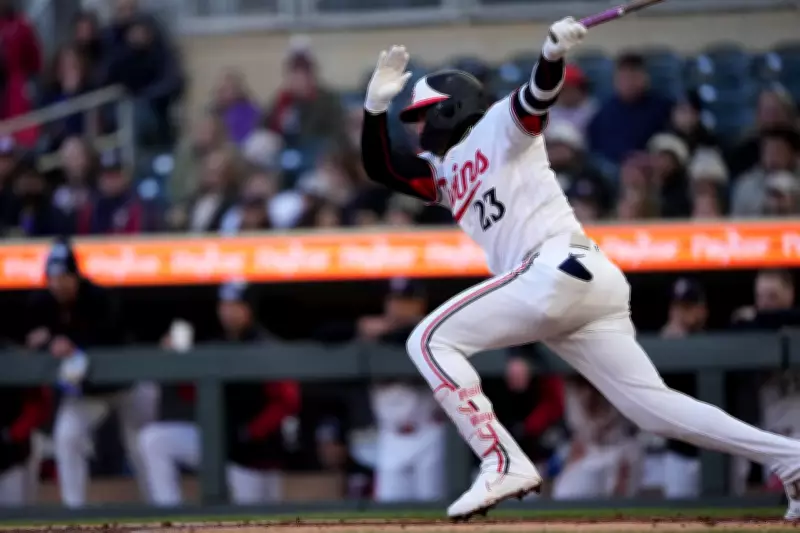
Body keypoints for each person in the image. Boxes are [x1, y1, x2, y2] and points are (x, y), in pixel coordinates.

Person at [359, 20, 800, 521]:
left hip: (553, 267)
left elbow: (536, 97)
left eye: (419, 117)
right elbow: (383, 168)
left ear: (447, 108)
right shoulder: (441, 172)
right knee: (654, 409)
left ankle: (501, 459)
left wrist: (551, 56)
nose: (415, 128)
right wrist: (375, 110)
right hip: (580, 283)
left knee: (428, 341)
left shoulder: (496, 125)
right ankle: (792, 460)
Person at [138, 280, 299, 505]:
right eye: (224, 305)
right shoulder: (216, 344)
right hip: (216, 441)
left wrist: (250, 432)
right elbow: (193, 394)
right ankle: (169, 515)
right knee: (153, 440)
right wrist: (176, 363)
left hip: (253, 455)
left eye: (235, 305)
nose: (228, 312)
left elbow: (287, 402)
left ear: (249, 309)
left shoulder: (266, 347)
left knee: (255, 523)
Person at [27, 238, 158, 508]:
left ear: (76, 276)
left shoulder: (99, 297)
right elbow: (25, 335)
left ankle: (162, 510)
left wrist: (68, 341)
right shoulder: (42, 302)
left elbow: (108, 335)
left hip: (129, 386)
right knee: (67, 436)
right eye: (53, 278)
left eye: (64, 277)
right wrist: (44, 340)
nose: (58, 284)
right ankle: (74, 513)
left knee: (141, 446)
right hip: (89, 392)